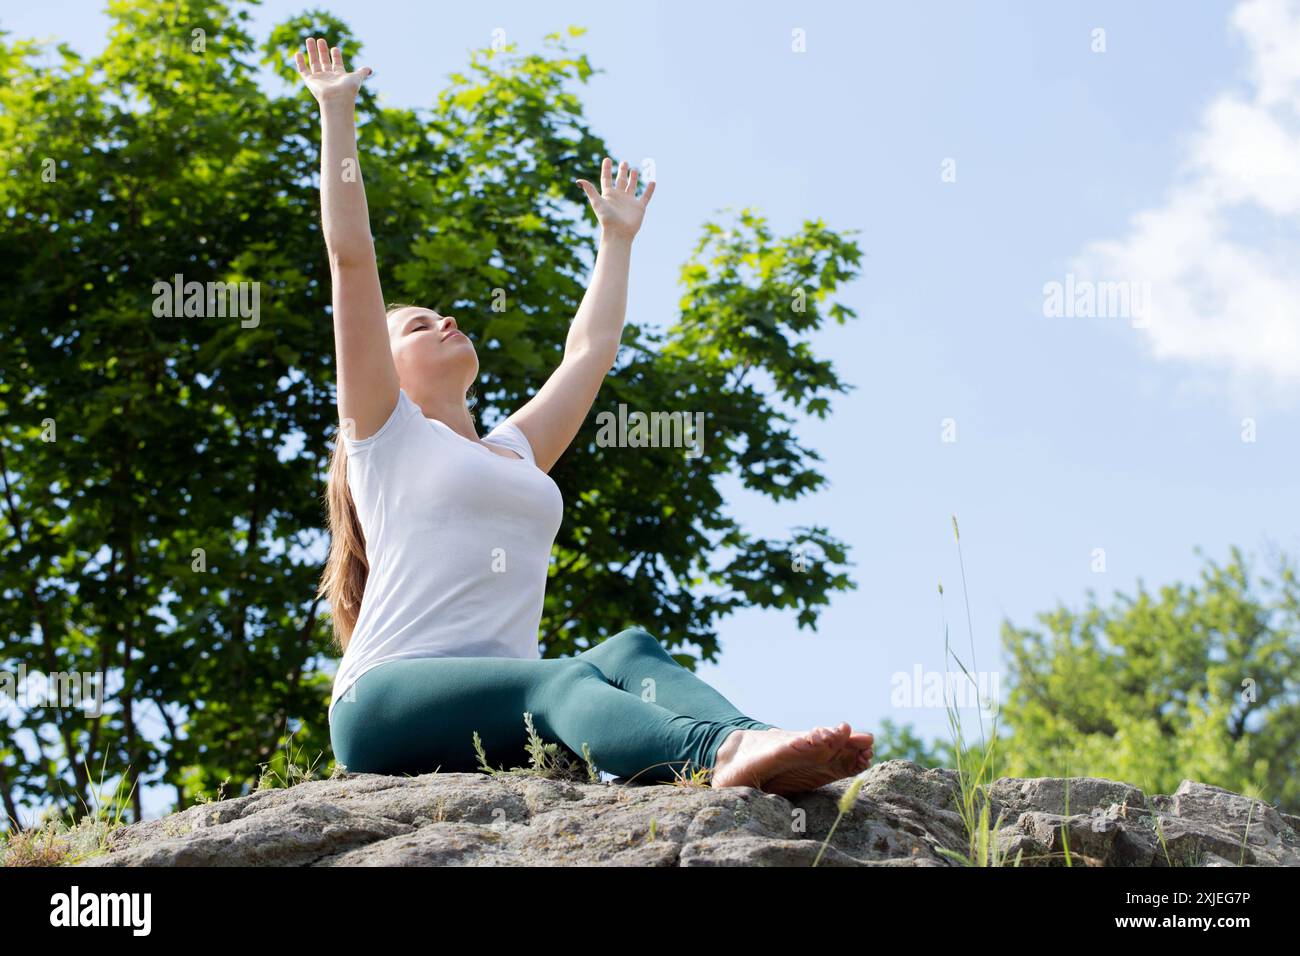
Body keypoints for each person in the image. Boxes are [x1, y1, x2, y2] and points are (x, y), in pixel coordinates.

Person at [296, 36, 874, 794]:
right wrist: (337, 113)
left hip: (504, 718)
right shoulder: (384, 433)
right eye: (417, 325)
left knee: (631, 649)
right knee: (563, 681)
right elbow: (351, 257)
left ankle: (756, 742)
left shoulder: (513, 452)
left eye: (443, 315)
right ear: (387, 368)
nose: (445, 322)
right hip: (389, 704)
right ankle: (719, 758)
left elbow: (589, 353)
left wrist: (617, 241)